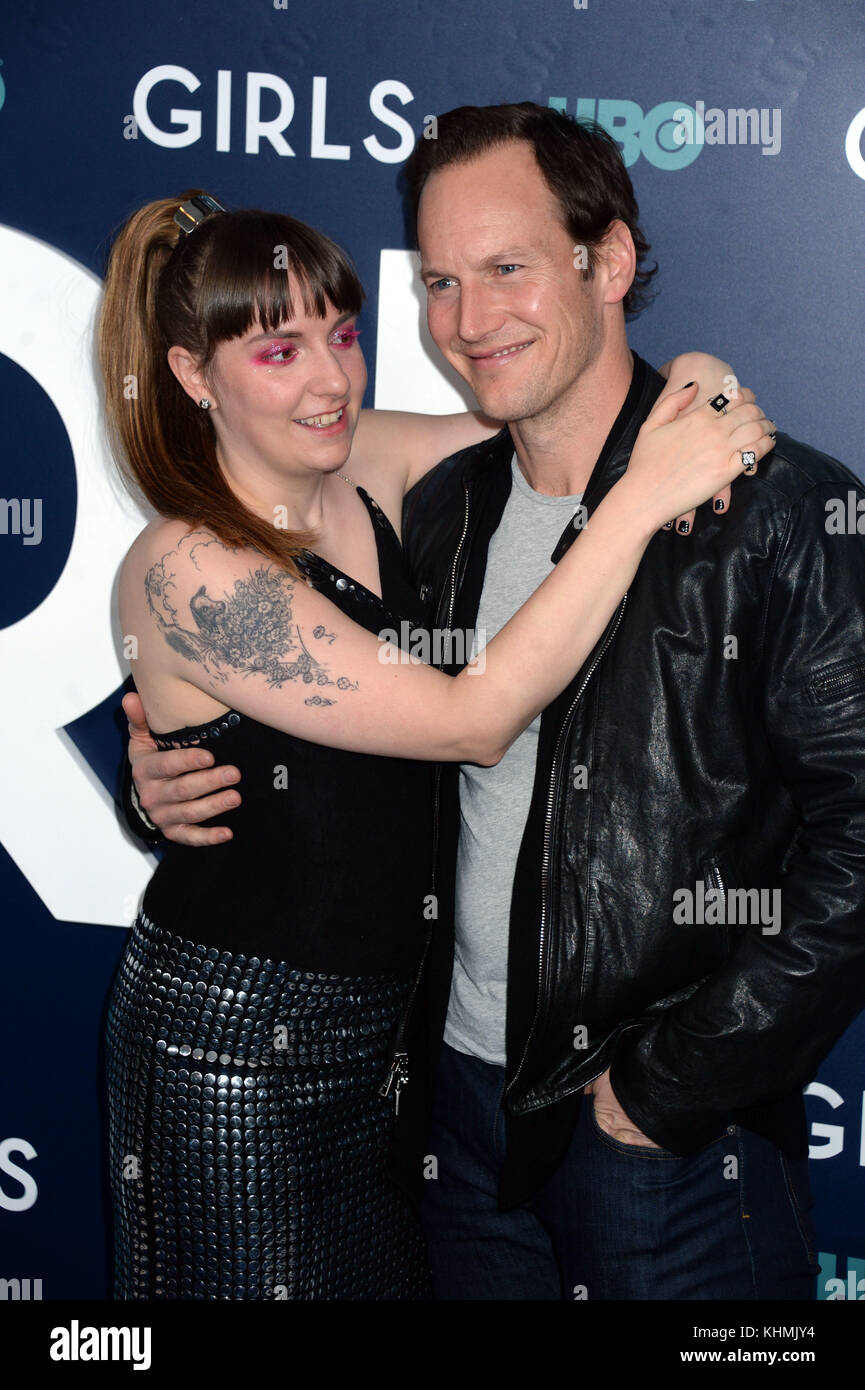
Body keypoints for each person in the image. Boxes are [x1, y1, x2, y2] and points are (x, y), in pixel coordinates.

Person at [112, 171, 773, 1299]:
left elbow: (572, 405)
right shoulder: (187, 570)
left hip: (391, 1058)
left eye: (342, 332)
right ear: (190, 374)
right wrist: (641, 498)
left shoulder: (357, 457)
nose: (329, 381)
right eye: (278, 354)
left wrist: (699, 384)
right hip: (231, 1059)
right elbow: (472, 719)